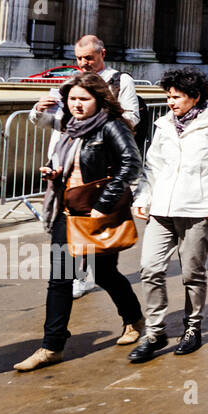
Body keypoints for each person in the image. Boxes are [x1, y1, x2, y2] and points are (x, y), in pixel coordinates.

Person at [13, 72, 146, 371]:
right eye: (72, 99)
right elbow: (73, 162)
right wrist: (53, 172)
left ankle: (134, 318)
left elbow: (131, 163)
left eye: (83, 99)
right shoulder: (69, 126)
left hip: (98, 211)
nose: (77, 105)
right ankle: (52, 346)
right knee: (60, 279)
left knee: (104, 273)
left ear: (99, 100)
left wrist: (104, 203)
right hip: (68, 210)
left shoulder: (111, 126)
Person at [128, 67, 208, 362]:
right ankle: (154, 333)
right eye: (168, 96)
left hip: (199, 211)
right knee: (149, 268)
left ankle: (192, 328)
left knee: (191, 274)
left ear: (194, 97)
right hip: (161, 210)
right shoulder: (164, 125)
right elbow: (153, 166)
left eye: (177, 97)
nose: (171, 102)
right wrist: (144, 196)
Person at [30, 34, 143, 299]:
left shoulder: (120, 80)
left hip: (100, 165)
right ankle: (71, 285)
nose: (83, 63)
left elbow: (132, 118)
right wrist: (38, 111)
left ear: (102, 53)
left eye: (89, 58)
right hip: (66, 163)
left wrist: (102, 120)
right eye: (79, 58)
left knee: (96, 238)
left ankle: (93, 282)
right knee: (68, 232)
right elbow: (55, 121)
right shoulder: (70, 81)